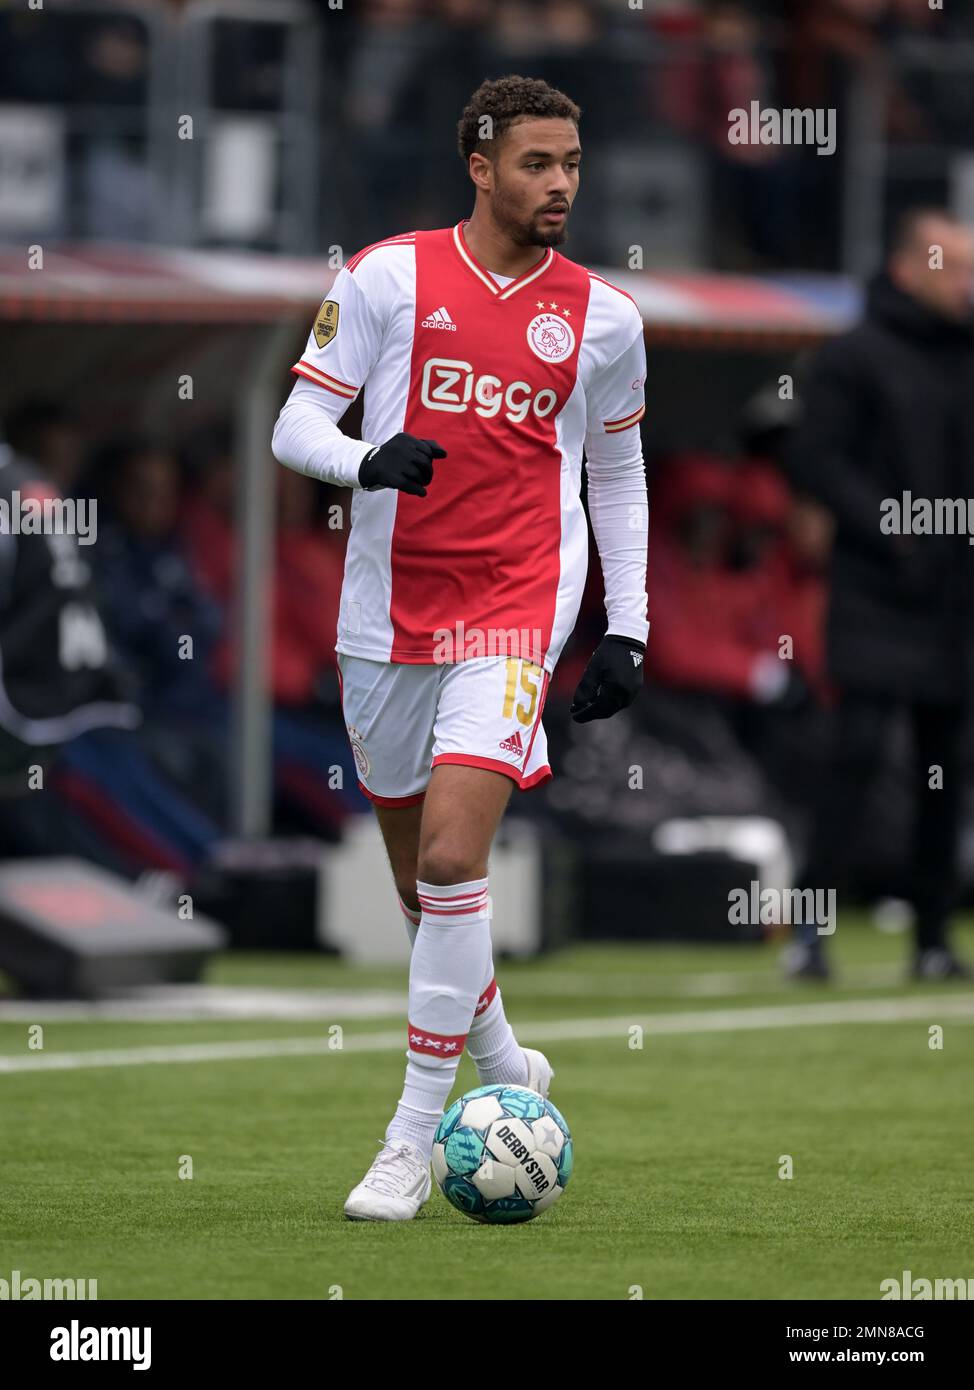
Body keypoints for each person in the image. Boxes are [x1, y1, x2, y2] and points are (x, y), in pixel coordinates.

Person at [273, 74, 649, 1220]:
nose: (559, 185)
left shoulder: (602, 317)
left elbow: (617, 472)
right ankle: (502, 1068)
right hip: (386, 619)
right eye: (537, 164)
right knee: (423, 886)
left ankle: (407, 1142)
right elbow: (295, 425)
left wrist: (625, 624)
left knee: (449, 861)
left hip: (515, 604)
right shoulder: (385, 277)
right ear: (479, 168)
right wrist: (364, 459)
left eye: (572, 164)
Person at [786, 207, 974, 981]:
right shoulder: (852, 358)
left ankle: (932, 939)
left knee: (945, 769)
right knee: (853, 761)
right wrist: (894, 533)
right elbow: (815, 462)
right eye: (956, 267)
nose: (968, 284)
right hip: (875, 592)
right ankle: (810, 935)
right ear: (908, 268)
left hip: (955, 601)